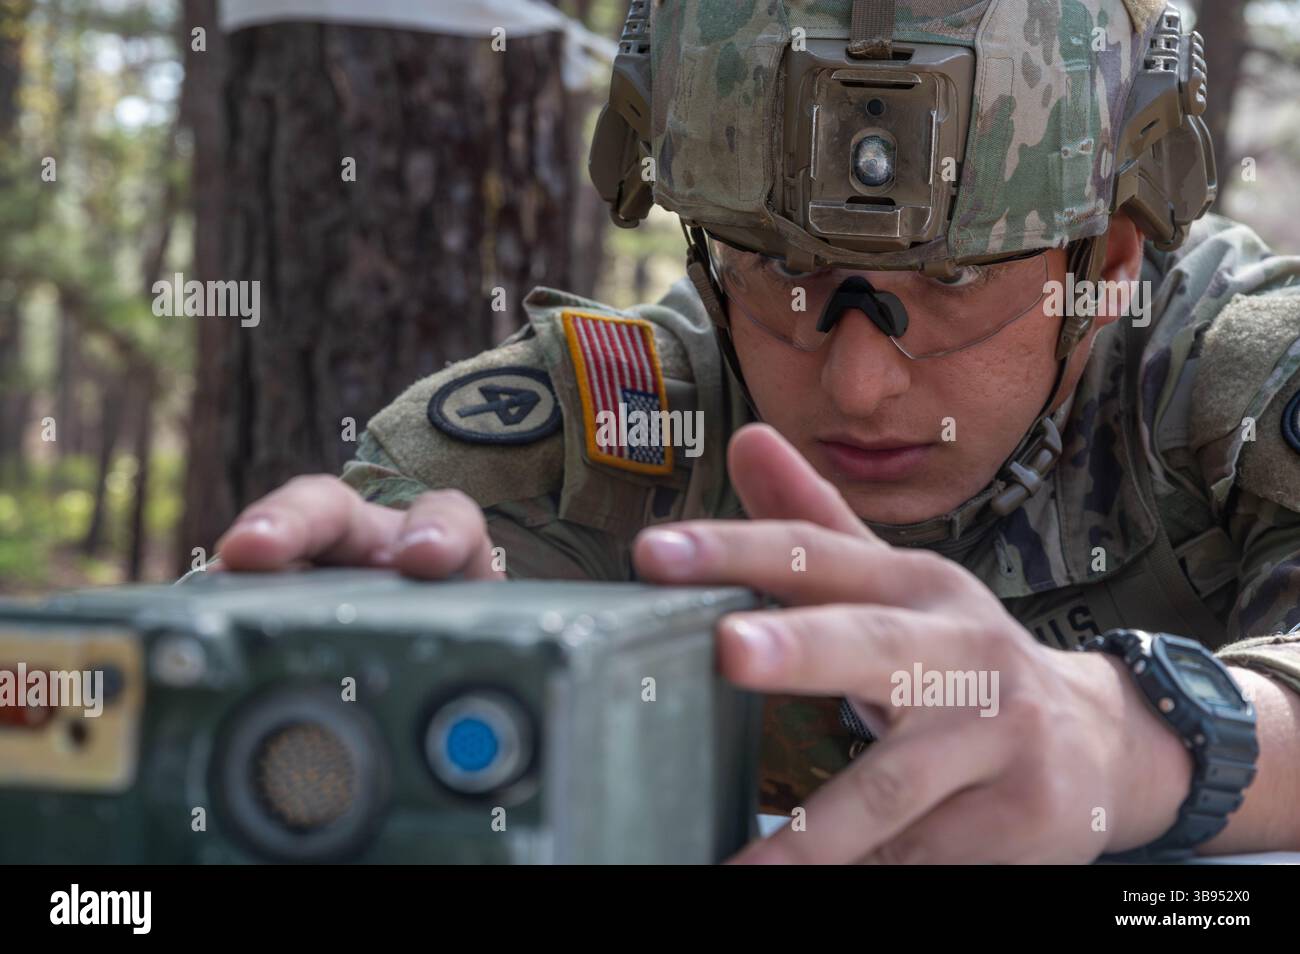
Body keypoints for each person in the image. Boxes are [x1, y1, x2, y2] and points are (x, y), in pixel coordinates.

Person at [212, 1, 1300, 863]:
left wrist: (1141, 735)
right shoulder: (609, 436)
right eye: (783, 270)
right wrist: (339, 649)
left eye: (956, 280)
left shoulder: (1228, 379)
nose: (862, 383)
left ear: (1104, 267)